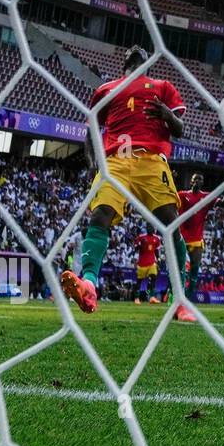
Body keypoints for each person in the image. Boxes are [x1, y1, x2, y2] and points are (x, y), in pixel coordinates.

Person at [61, 45, 194, 321]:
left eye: (142, 49)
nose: (135, 48)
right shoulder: (106, 89)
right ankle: (88, 285)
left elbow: (180, 129)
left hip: (151, 161)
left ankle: (180, 301)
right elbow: (91, 131)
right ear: (124, 61)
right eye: (130, 49)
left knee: (171, 223)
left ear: (149, 61)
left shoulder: (162, 86)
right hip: (115, 162)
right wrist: (92, 160)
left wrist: (167, 115)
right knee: (100, 216)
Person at [174, 172, 221, 309]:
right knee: (179, 269)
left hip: (197, 240)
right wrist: (174, 180)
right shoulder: (183, 194)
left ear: (202, 183)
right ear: (191, 182)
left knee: (195, 268)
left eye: (200, 179)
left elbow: (222, 204)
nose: (197, 181)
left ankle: (187, 299)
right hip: (182, 238)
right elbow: (171, 198)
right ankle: (175, 295)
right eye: (195, 179)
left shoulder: (206, 197)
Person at [134, 228, 163, 304]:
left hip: (152, 262)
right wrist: (141, 245)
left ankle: (152, 297)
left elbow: (156, 250)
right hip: (142, 263)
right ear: (147, 228)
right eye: (149, 227)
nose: (150, 229)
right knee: (139, 281)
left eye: (151, 227)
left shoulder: (156, 238)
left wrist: (159, 259)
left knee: (153, 278)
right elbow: (136, 248)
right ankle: (137, 298)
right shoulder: (141, 237)